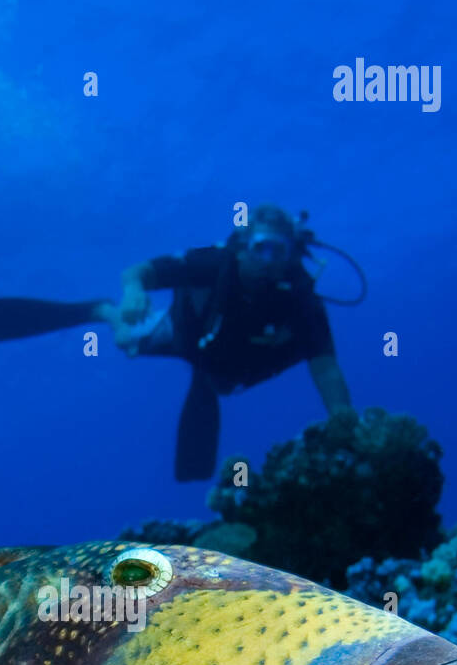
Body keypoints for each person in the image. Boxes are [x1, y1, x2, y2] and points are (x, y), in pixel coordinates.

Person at [91, 204, 352, 479]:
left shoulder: (303, 298)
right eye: (261, 247)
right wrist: (133, 291)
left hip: (241, 363)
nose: (268, 260)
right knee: (126, 342)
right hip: (189, 337)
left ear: (291, 255)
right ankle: (107, 312)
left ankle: (208, 374)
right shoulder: (215, 262)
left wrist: (343, 420)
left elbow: (325, 368)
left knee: (234, 376)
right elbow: (136, 272)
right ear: (242, 247)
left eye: (279, 251)